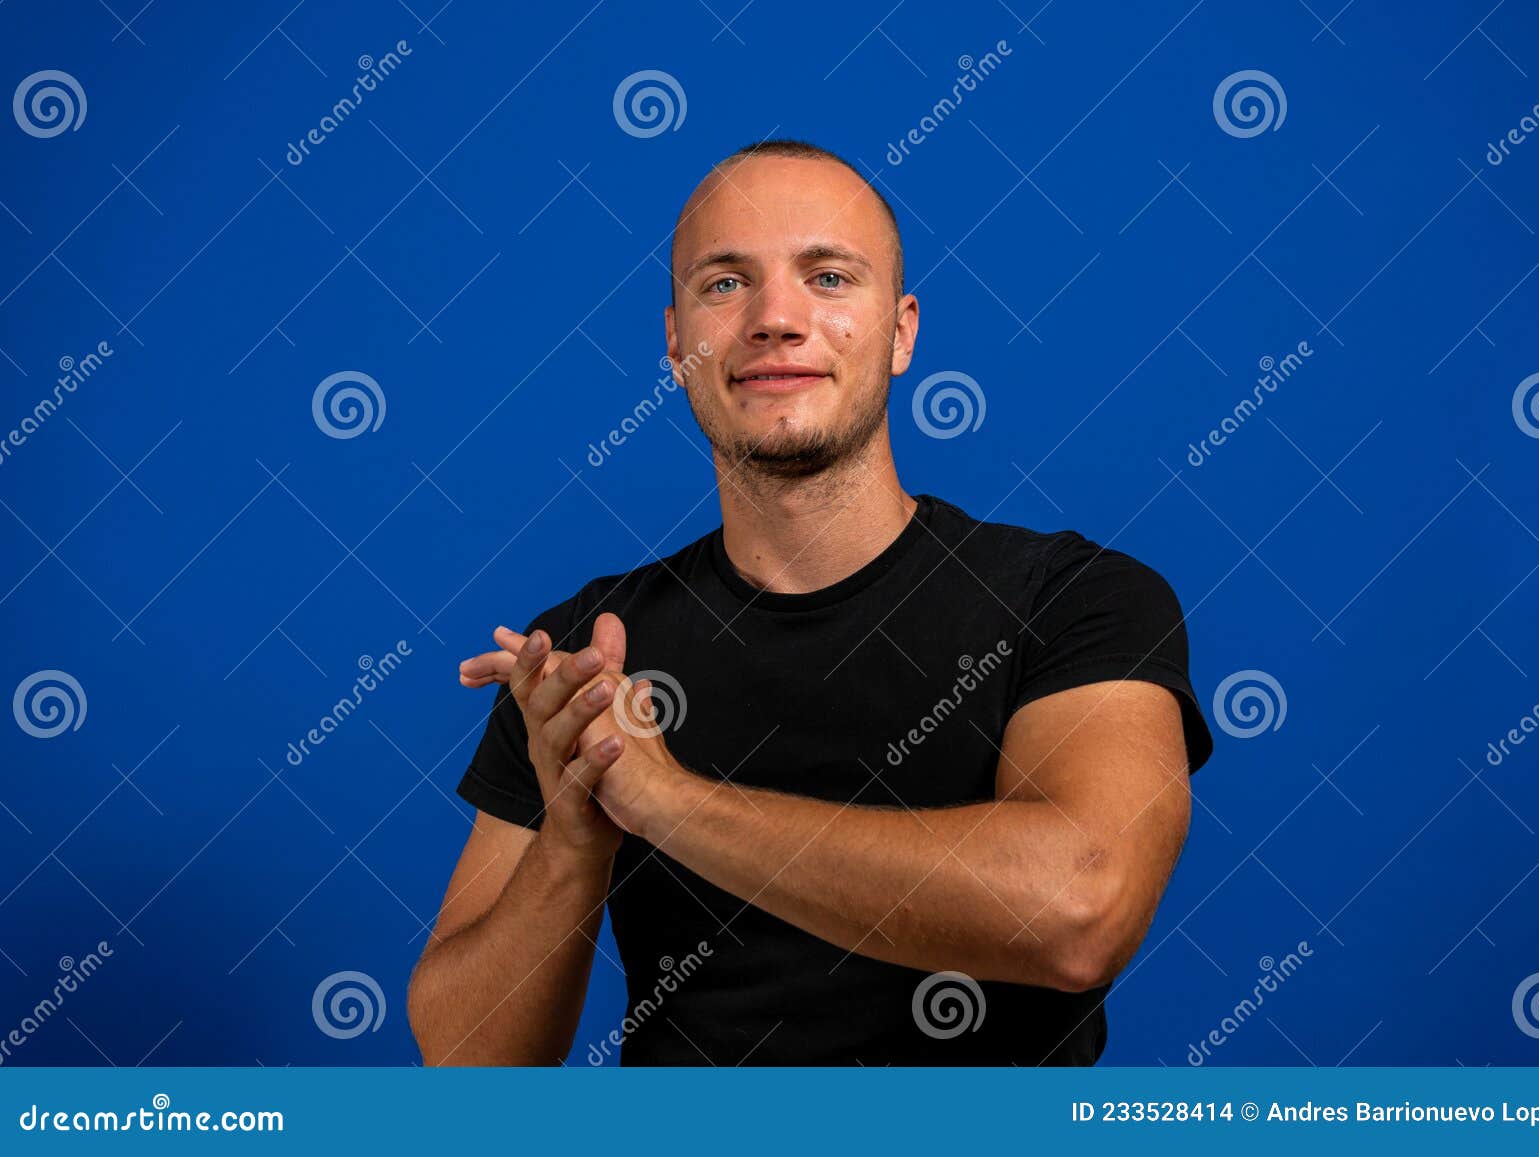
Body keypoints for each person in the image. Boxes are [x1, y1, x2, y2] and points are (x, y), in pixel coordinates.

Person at [407, 140, 1213, 1066]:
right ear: (676, 342)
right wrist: (577, 833)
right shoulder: (591, 661)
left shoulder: (1076, 603)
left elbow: (1080, 910)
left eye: (828, 277)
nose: (775, 319)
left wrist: (664, 800)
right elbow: (468, 1065)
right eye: (724, 285)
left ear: (903, 332)